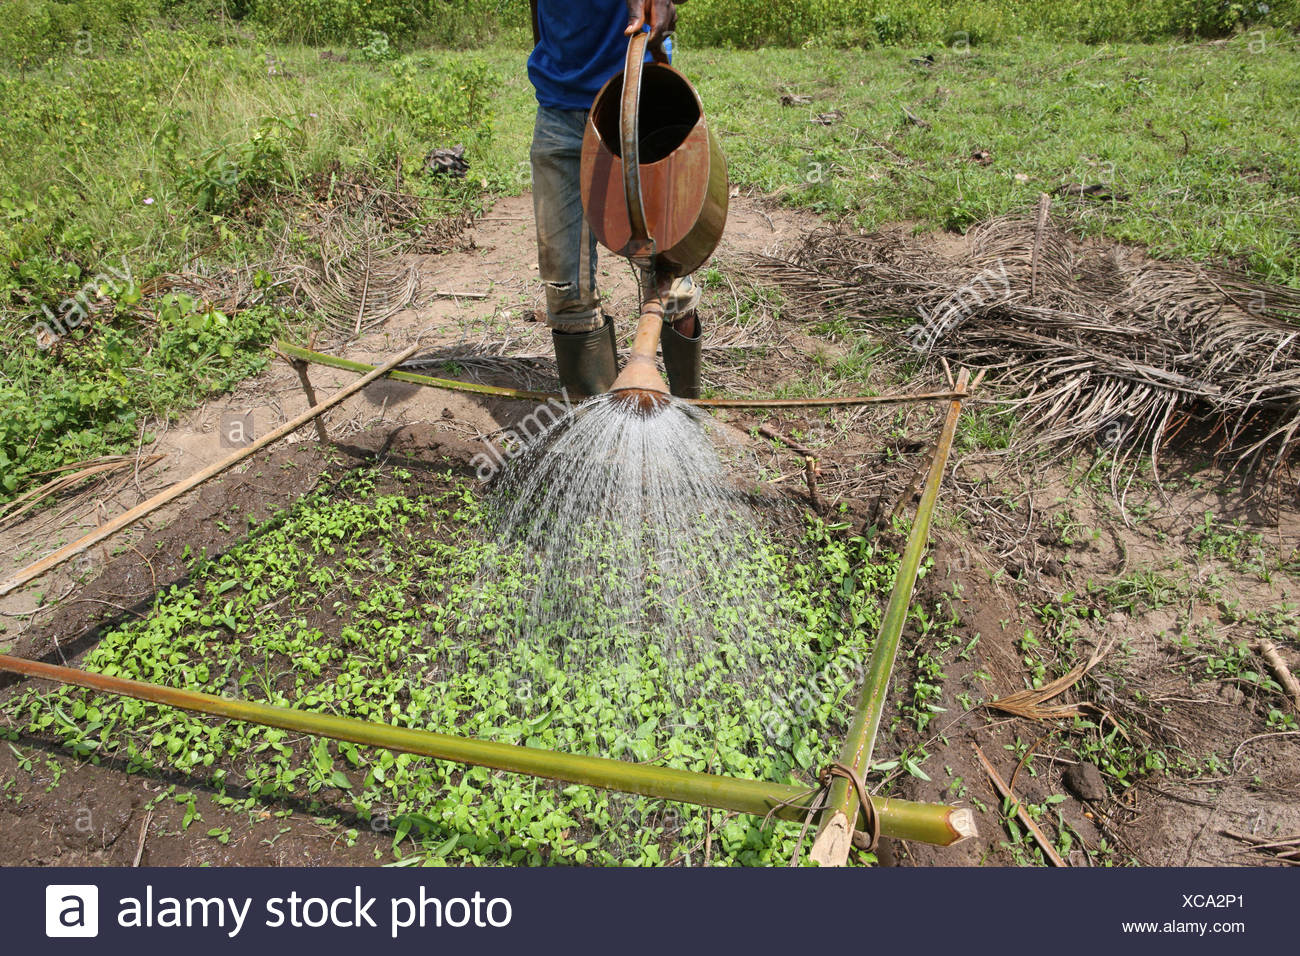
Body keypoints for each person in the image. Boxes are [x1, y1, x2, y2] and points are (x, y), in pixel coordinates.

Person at [528, 0, 702, 398]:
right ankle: (600, 431)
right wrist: (556, 71)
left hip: (642, 99)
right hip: (559, 114)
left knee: (670, 279)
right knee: (565, 289)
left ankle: (686, 410)